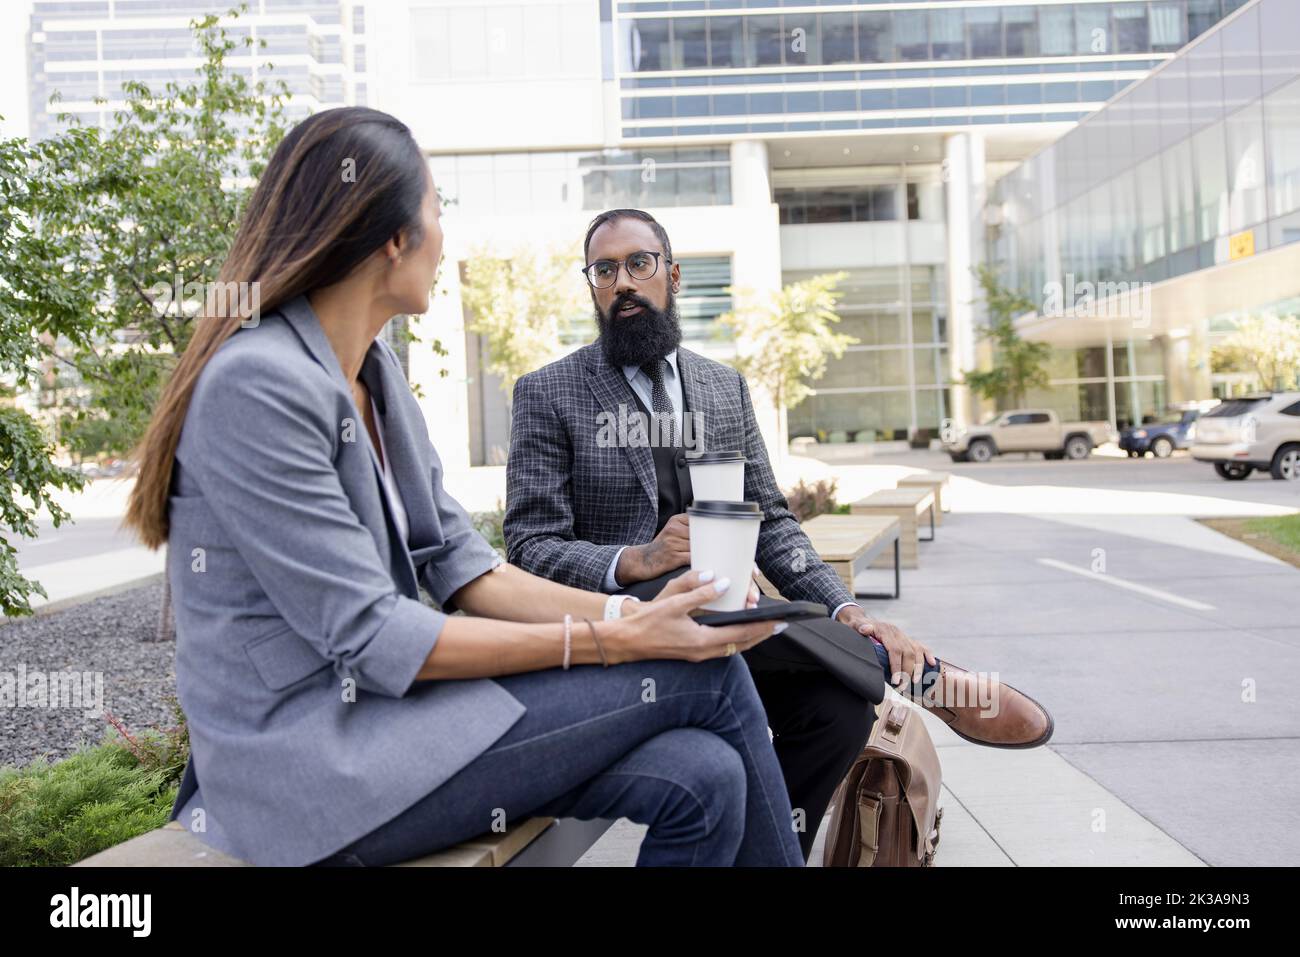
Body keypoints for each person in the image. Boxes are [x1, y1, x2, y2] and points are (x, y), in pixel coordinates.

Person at [122, 108, 804, 868]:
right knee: (711, 677)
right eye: (437, 209)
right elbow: (373, 636)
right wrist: (617, 637)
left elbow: (465, 565)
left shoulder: (374, 375)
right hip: (309, 767)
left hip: (392, 722)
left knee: (704, 777)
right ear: (393, 237)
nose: (445, 236)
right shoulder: (258, 384)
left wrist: (632, 611)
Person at [504, 208, 1054, 859]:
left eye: (638, 263)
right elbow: (530, 548)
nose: (621, 281)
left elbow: (773, 523)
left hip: (734, 628)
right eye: (604, 269)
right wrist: (636, 558)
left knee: (839, 708)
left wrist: (849, 610)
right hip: (625, 636)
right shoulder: (548, 392)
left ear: (672, 275)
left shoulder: (723, 387)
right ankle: (918, 673)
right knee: (767, 629)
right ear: (592, 286)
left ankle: (860, 678)